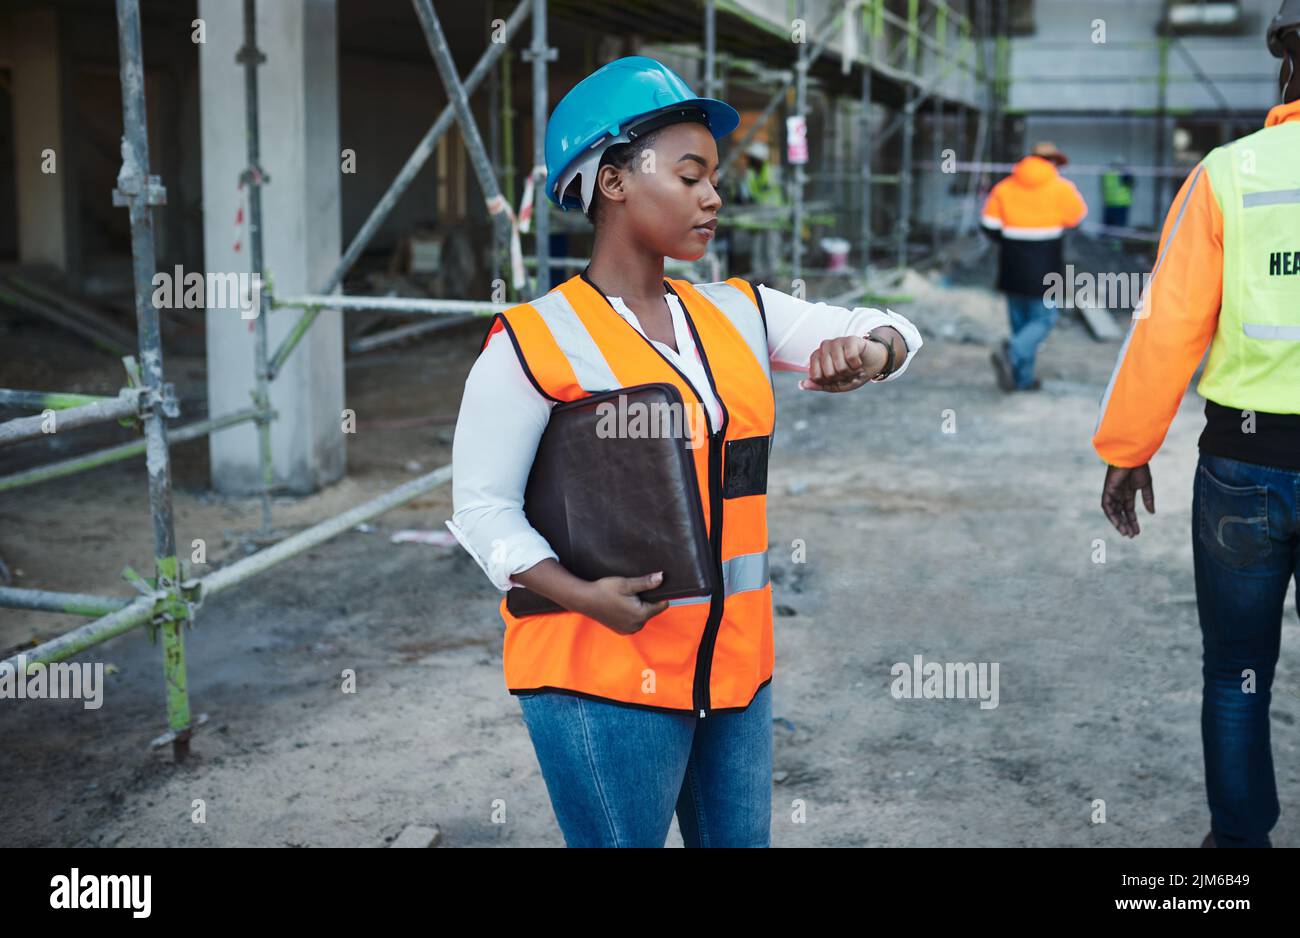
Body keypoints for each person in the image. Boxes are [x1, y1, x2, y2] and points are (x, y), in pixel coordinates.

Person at [446, 56, 923, 848]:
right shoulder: (533, 341)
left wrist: (867, 354)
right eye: (690, 175)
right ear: (613, 182)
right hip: (598, 679)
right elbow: (481, 509)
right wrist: (582, 594)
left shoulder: (742, 312)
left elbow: (896, 328)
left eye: (714, 178)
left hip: (735, 672)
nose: (713, 198)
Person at [1093, 0, 1300, 849]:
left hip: (1244, 466)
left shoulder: (1230, 172)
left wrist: (1129, 447)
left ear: (1285, 60)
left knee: (1237, 670)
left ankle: (1239, 847)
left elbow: (1169, 321)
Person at [981, 141, 1088, 392]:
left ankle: (1022, 378)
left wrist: (1011, 239)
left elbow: (988, 224)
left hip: (1011, 267)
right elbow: (1076, 217)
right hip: (1046, 267)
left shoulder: (1004, 188)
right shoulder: (1061, 188)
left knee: (1021, 325)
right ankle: (1012, 351)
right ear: (1051, 162)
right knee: (1044, 319)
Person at [1100, 157, 1136, 231]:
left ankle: (1112, 241)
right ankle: (1113, 241)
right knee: (1115, 228)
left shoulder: (1108, 174)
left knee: (1113, 228)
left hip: (1116, 204)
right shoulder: (1124, 174)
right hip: (1116, 204)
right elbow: (1132, 185)